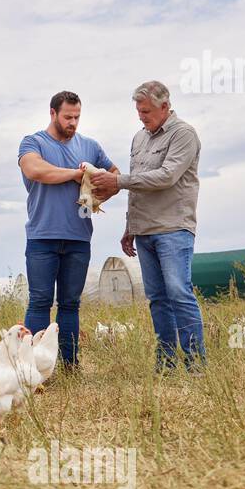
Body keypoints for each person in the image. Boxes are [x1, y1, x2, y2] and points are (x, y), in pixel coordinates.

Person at [88, 81, 204, 371]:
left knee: (179, 292)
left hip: (173, 228)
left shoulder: (184, 134)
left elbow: (166, 176)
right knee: (157, 298)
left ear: (165, 106)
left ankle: (196, 364)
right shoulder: (139, 139)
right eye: (139, 111)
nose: (141, 116)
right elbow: (140, 184)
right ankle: (166, 364)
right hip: (145, 230)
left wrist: (118, 181)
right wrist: (131, 226)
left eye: (147, 111)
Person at [17, 91, 120, 369]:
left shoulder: (90, 146)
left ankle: (69, 365)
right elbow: (36, 171)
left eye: (77, 117)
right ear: (53, 113)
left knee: (70, 304)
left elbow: (115, 176)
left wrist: (97, 196)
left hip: (78, 238)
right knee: (39, 301)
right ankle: (34, 367)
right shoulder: (33, 142)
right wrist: (76, 174)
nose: (73, 122)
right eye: (67, 117)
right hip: (42, 236)